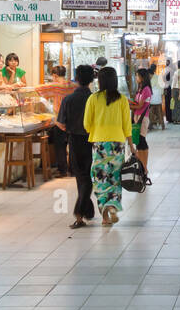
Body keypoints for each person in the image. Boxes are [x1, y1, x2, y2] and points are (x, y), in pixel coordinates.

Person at [84, 66, 133, 225]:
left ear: (100, 81)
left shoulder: (93, 98)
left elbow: (86, 124)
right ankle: (113, 205)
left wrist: (97, 131)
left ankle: (105, 215)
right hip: (118, 144)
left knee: (100, 178)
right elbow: (127, 126)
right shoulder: (122, 100)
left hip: (99, 144)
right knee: (115, 177)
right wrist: (131, 146)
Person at [57, 64, 96, 228]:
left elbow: (61, 124)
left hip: (74, 140)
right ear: (92, 80)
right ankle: (87, 209)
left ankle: (80, 212)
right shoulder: (94, 99)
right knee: (86, 174)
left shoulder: (68, 99)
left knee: (81, 176)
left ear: (77, 79)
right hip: (93, 141)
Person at [131, 67, 153, 172]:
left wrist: (129, 106)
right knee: (139, 141)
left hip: (143, 118)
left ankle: (144, 166)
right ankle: (141, 166)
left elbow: (140, 106)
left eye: (137, 76)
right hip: (137, 117)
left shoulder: (146, 90)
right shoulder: (140, 89)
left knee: (141, 141)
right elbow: (137, 104)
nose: (136, 77)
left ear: (142, 77)